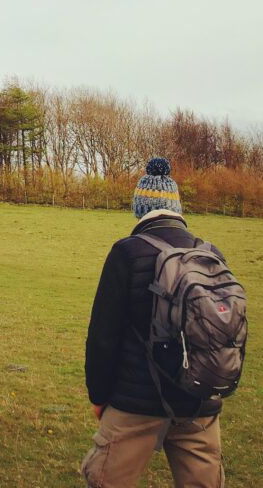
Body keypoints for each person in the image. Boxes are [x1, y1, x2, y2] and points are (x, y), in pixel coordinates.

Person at [80, 156, 227, 488]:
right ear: (177, 208)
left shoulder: (127, 252)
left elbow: (103, 337)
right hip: (199, 401)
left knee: (105, 481)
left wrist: (99, 396)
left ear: (140, 208)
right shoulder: (210, 254)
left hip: (137, 401)